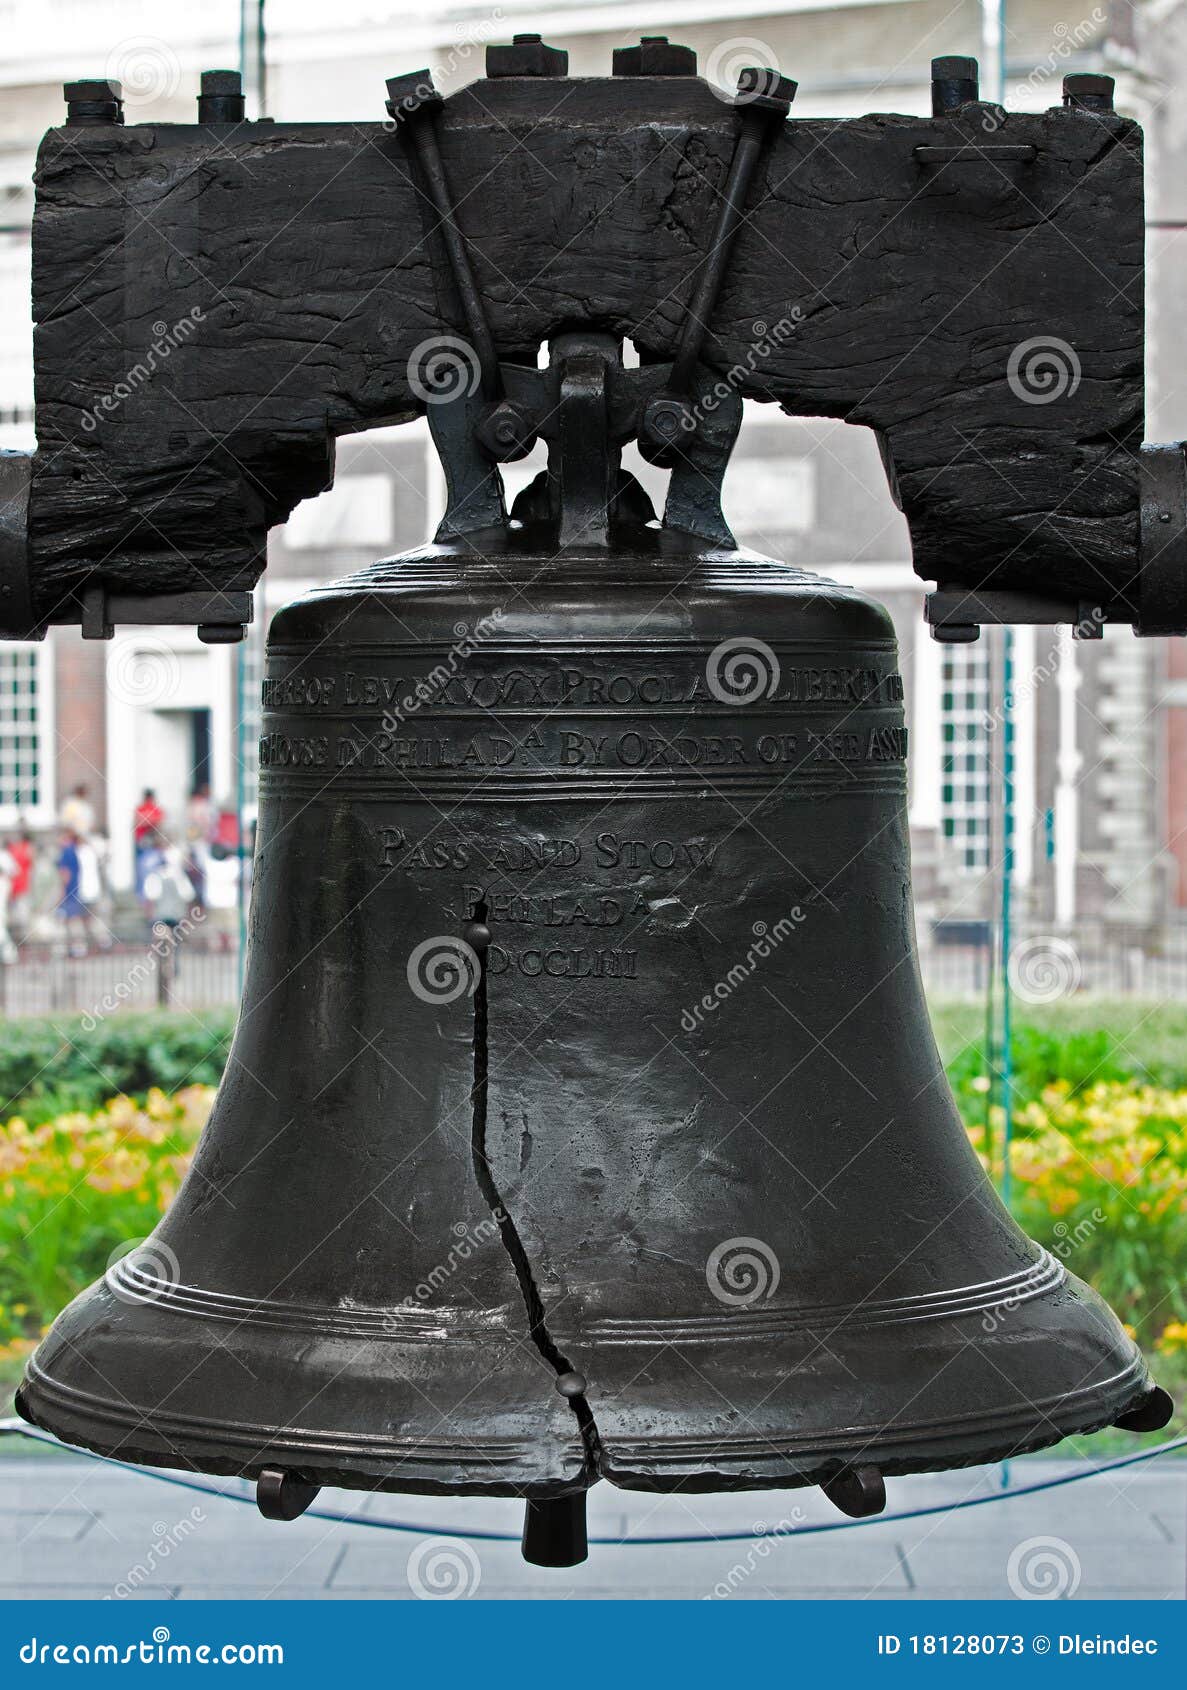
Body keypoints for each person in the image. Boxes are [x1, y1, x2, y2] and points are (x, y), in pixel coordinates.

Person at [56, 828, 89, 957]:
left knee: (71, 921)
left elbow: (65, 874)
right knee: (74, 920)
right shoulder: (76, 850)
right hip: (76, 891)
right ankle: (78, 948)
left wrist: (61, 893)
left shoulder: (67, 851)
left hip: (70, 892)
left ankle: (75, 948)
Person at [134, 789, 164, 900]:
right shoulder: (141, 809)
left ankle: (153, 896)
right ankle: (142, 897)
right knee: (142, 871)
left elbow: (158, 821)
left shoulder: (156, 809)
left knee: (154, 871)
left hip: (154, 845)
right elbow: (139, 821)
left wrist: (148, 821)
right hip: (142, 844)